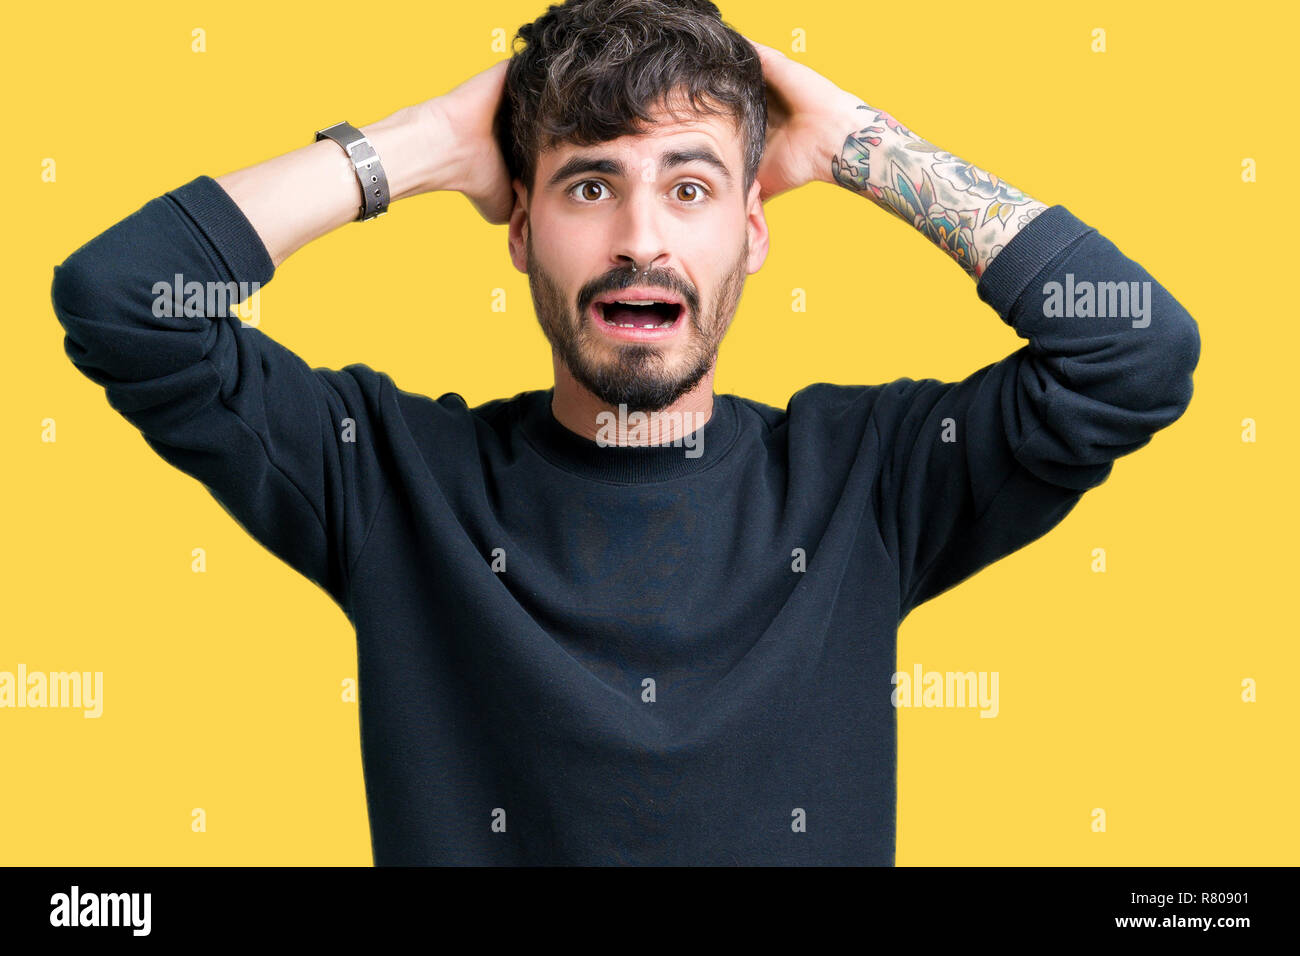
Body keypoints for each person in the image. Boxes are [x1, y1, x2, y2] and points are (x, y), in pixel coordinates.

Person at [49, 0, 1200, 865]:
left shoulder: (874, 478)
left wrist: (864, 145)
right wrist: (414, 145)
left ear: (754, 231)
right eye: (588, 187)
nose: (640, 238)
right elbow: (124, 300)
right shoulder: (386, 478)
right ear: (516, 227)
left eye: (690, 188)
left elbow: (1134, 350)